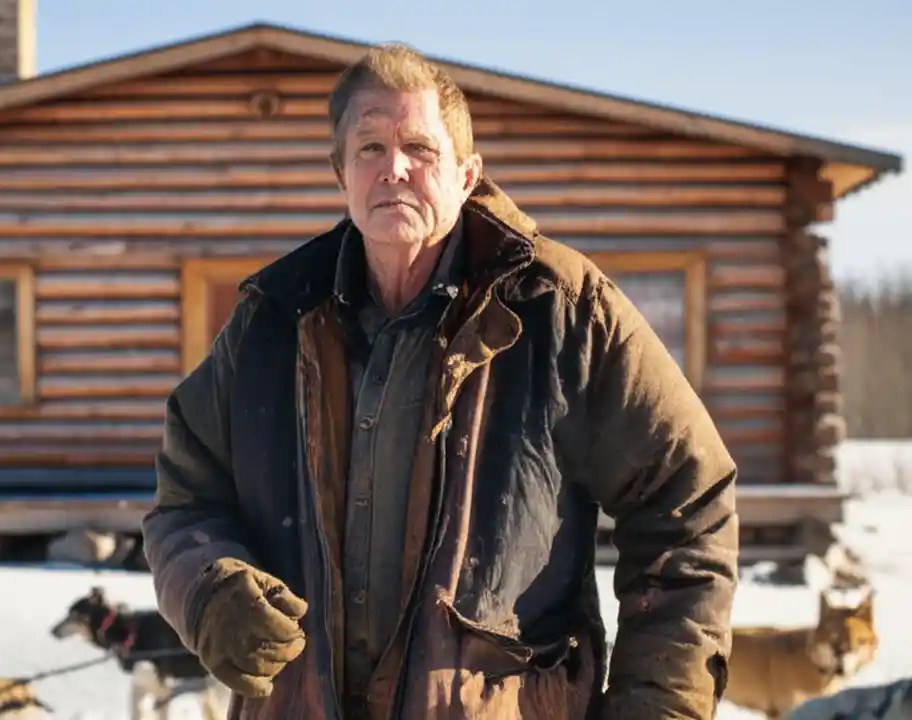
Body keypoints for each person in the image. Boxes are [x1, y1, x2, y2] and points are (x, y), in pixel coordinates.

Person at [142, 41, 738, 720]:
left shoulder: (560, 310)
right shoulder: (272, 322)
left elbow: (688, 503)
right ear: (340, 173)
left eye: (419, 148)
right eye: (368, 148)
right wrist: (209, 590)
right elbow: (186, 498)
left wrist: (655, 707)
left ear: (467, 173)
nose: (393, 169)